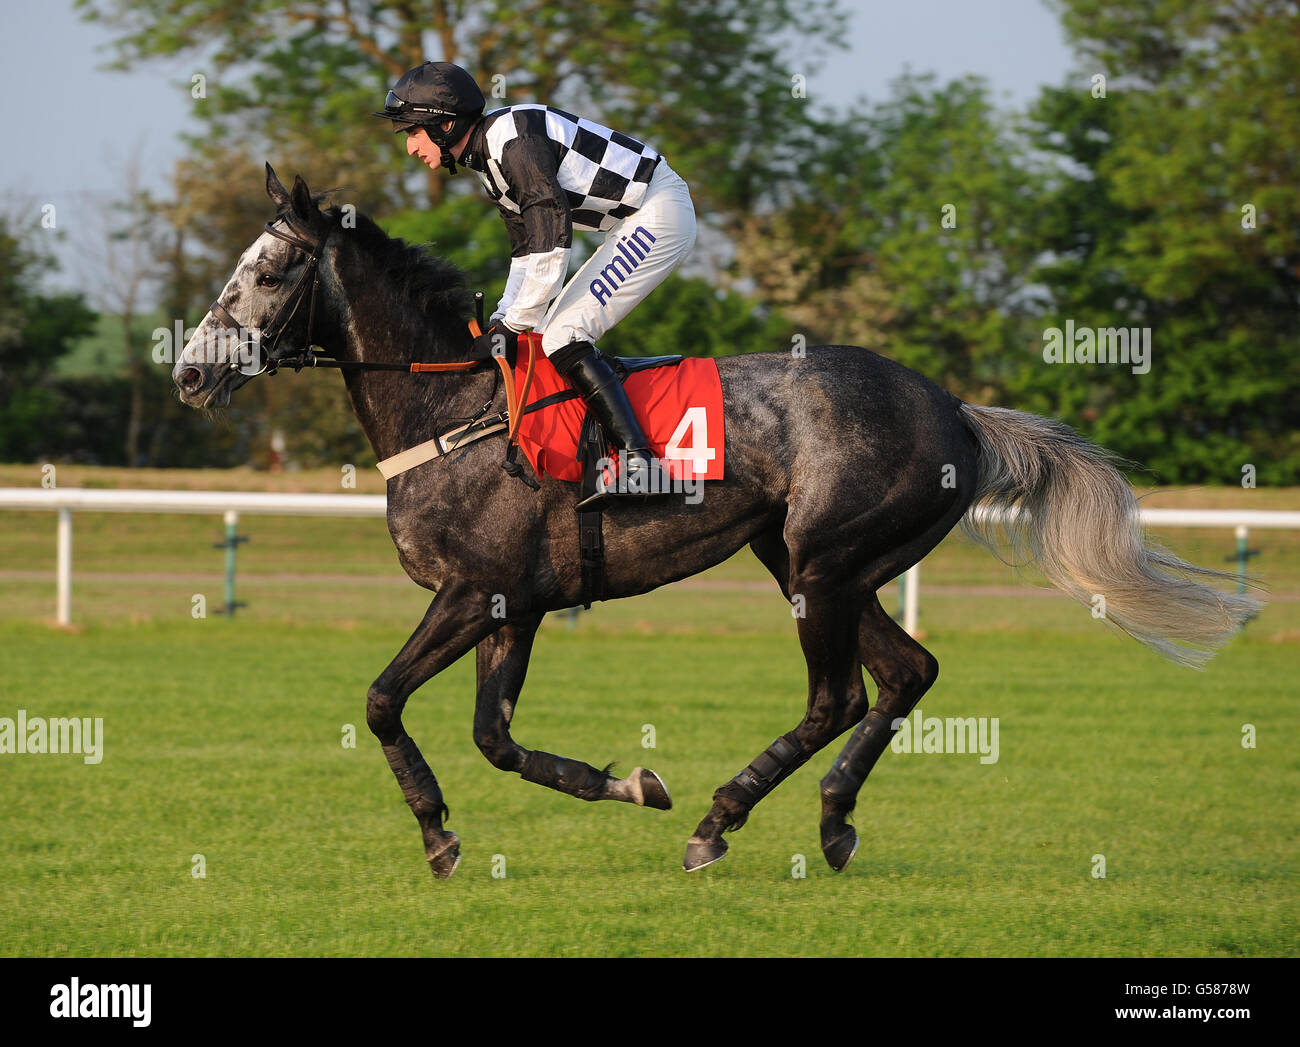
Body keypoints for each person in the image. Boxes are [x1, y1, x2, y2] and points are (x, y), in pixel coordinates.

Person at [374, 61, 697, 507]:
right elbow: (525, 251)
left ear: (445, 125)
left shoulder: (512, 143)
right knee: (551, 333)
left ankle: (641, 461)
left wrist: (516, 323)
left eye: (413, 132)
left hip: (659, 214)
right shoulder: (490, 157)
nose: (410, 147)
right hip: (636, 219)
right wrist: (505, 318)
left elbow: (551, 239)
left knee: (564, 333)